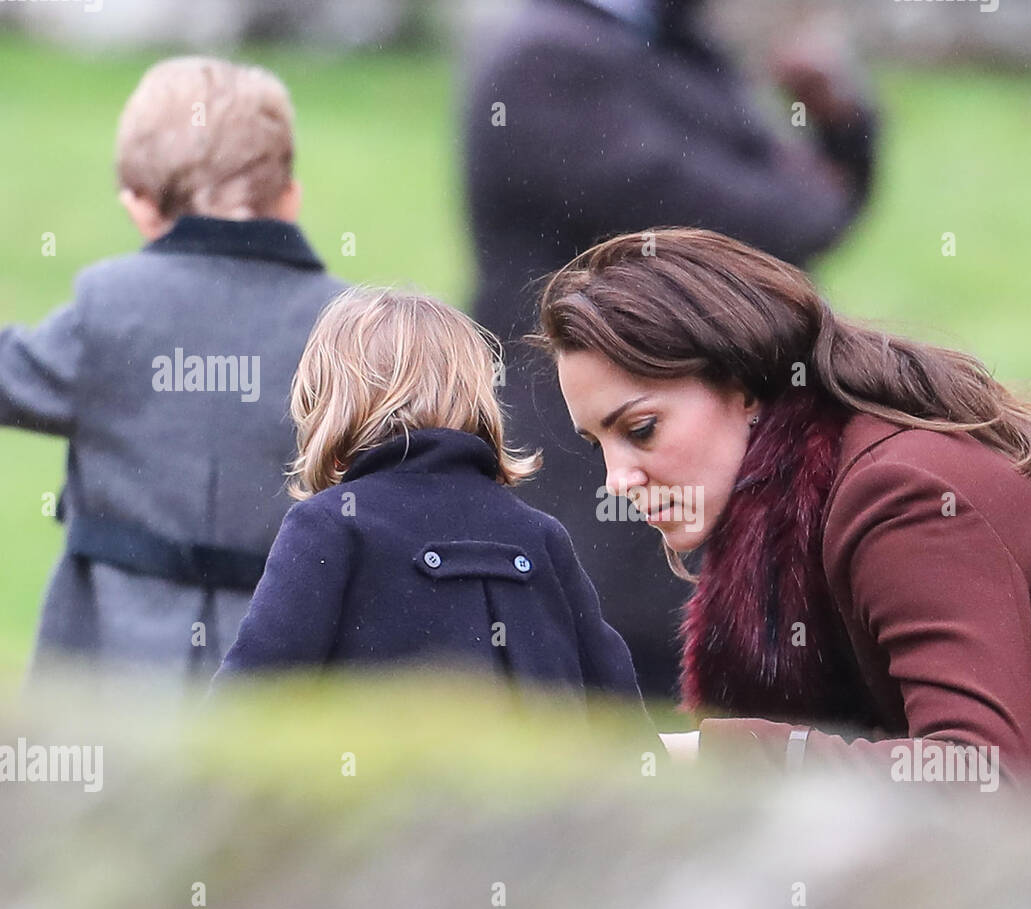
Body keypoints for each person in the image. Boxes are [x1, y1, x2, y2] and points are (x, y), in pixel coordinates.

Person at [535, 227, 1031, 802]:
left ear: (745, 384)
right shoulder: (838, 468)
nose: (619, 478)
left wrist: (715, 754)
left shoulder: (898, 496)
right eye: (596, 441)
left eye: (640, 429)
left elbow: (977, 777)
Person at [463, 0, 879, 703]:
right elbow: (751, 218)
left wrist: (840, 123)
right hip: (586, 463)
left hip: (667, 450)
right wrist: (813, 183)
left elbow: (801, 210)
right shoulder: (547, 62)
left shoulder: (665, 41)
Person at [0, 56, 346, 684]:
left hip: (107, 669)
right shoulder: (347, 327)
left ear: (139, 207)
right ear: (289, 199)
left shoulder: (109, 307)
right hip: (286, 666)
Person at [214, 287, 641, 710]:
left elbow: (248, 707)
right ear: (478, 395)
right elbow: (621, 721)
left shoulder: (329, 525)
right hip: (549, 781)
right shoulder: (541, 535)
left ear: (328, 401)